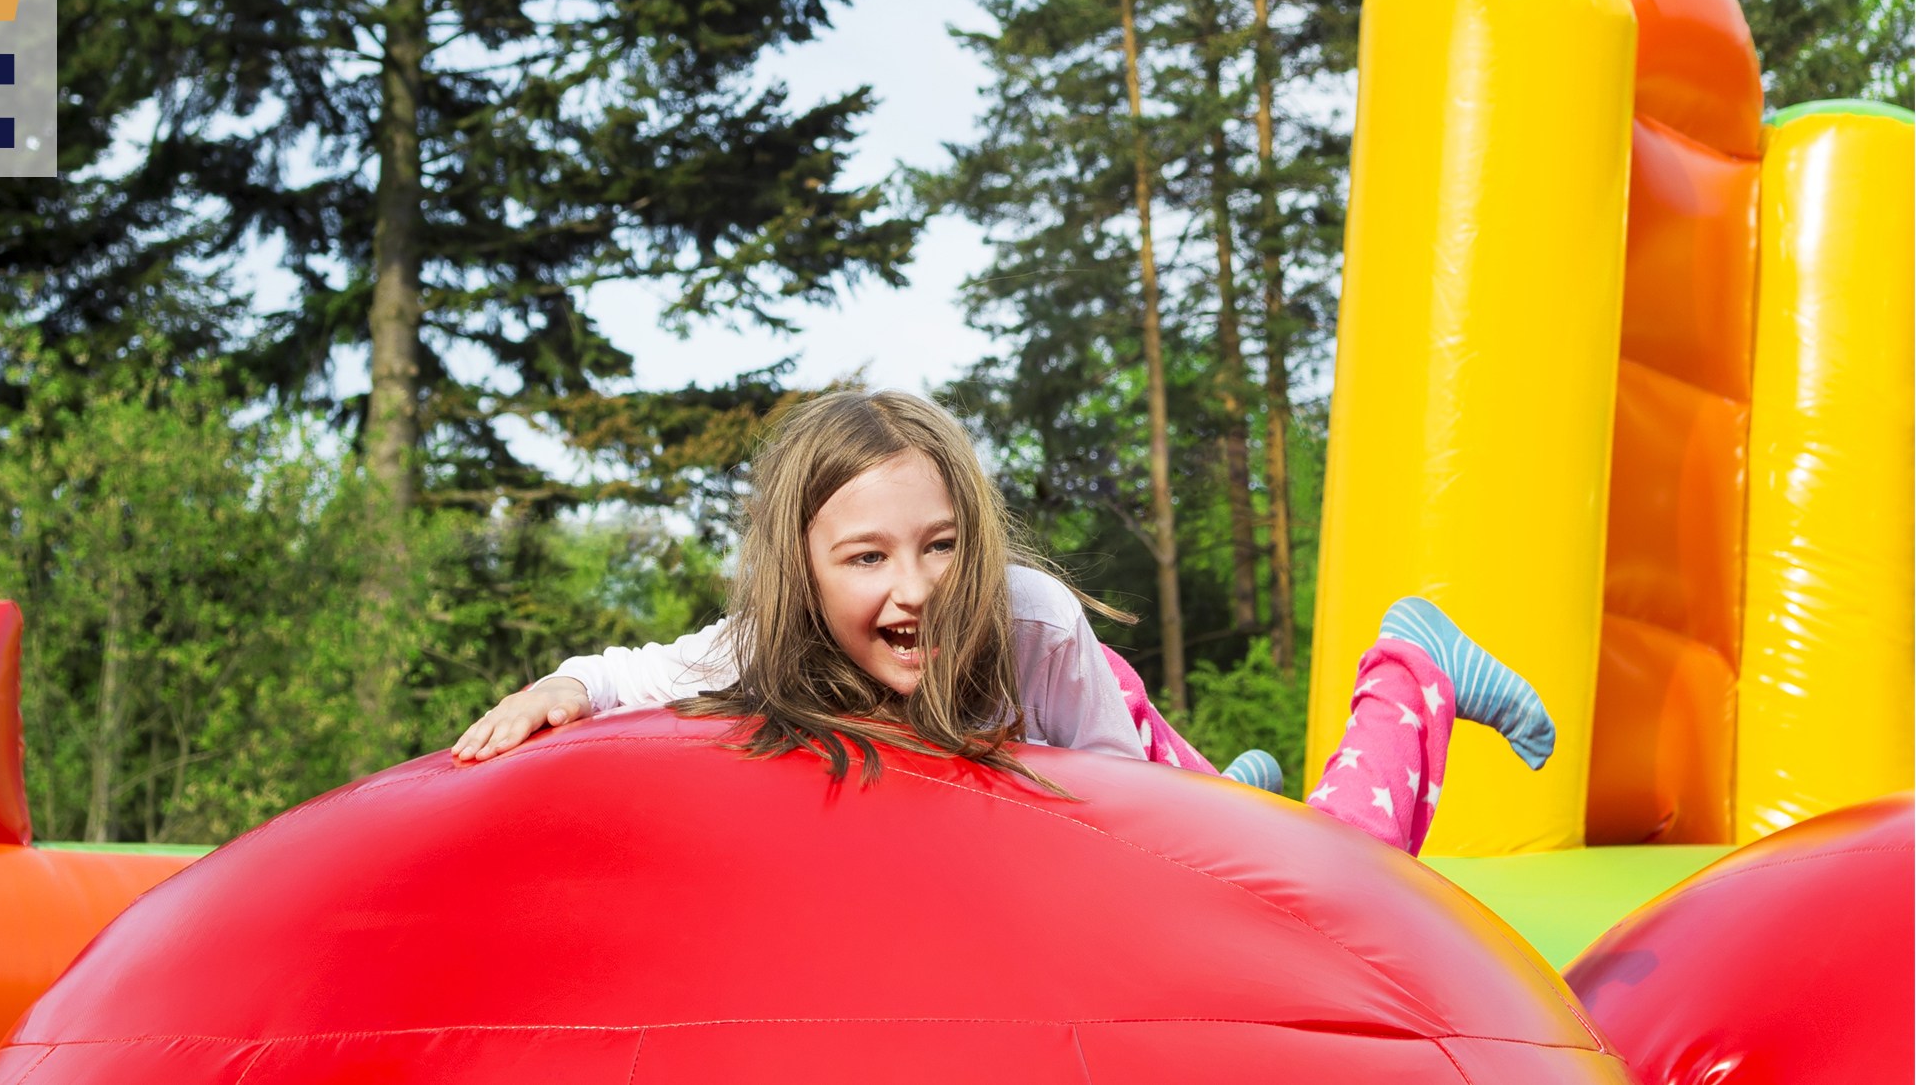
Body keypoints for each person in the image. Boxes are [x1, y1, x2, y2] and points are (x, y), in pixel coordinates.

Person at [451, 390, 1552, 855]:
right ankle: (1240, 783)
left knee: (1335, 859)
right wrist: (564, 691)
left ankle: (1411, 661)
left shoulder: (1032, 619)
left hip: (1080, 714)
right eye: (867, 558)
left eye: (939, 546)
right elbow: (639, 671)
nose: (914, 587)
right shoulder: (774, 638)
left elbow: (1132, 820)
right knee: (1215, 799)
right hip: (1075, 724)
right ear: (801, 571)